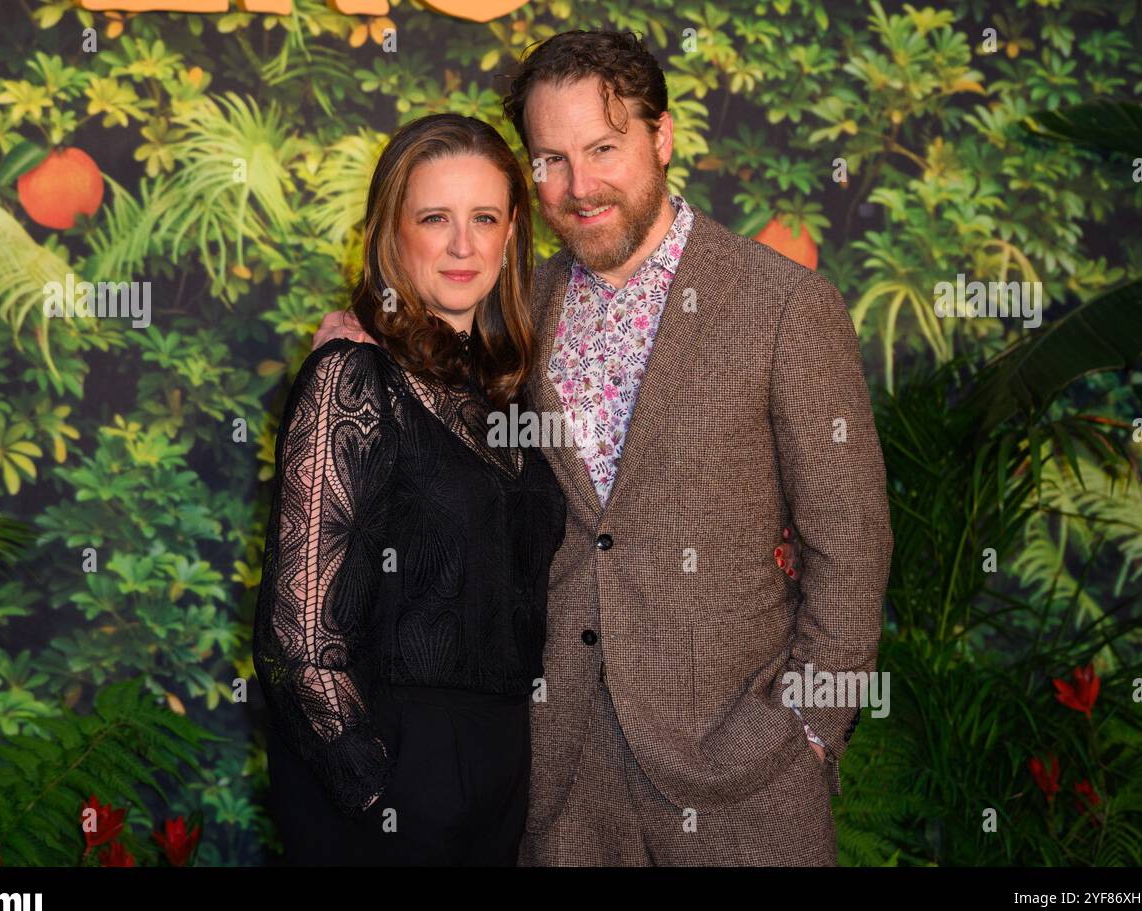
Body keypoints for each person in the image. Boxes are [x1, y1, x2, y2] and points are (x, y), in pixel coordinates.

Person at [317, 30, 893, 866]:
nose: (579, 187)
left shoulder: (784, 307)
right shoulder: (515, 305)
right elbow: (415, 376)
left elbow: (852, 547)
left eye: (603, 149)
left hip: (744, 771)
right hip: (559, 779)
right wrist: (363, 336)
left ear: (660, 138)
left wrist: (806, 728)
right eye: (551, 159)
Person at [254, 112, 566, 866]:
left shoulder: (505, 391)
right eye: (435, 218)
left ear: (512, 233)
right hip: (391, 785)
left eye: (484, 218)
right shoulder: (352, 377)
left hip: (501, 776)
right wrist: (383, 799)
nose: (463, 245)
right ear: (392, 233)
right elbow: (297, 647)